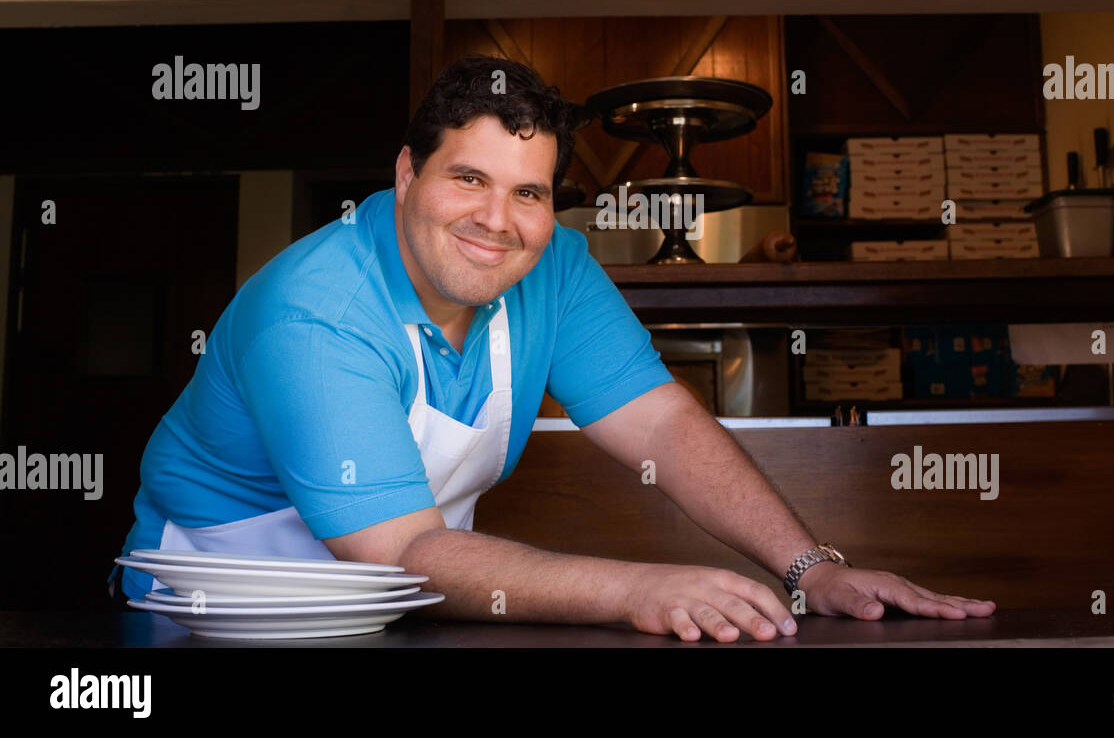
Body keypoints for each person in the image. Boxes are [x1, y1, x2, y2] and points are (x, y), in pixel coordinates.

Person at [109, 54, 995, 642]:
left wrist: (812, 569)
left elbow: (660, 428)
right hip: (214, 617)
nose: (499, 221)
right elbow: (407, 552)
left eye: (529, 193)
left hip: (389, 613)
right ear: (407, 174)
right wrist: (636, 592)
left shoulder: (557, 269)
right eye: (468, 178)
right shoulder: (316, 316)